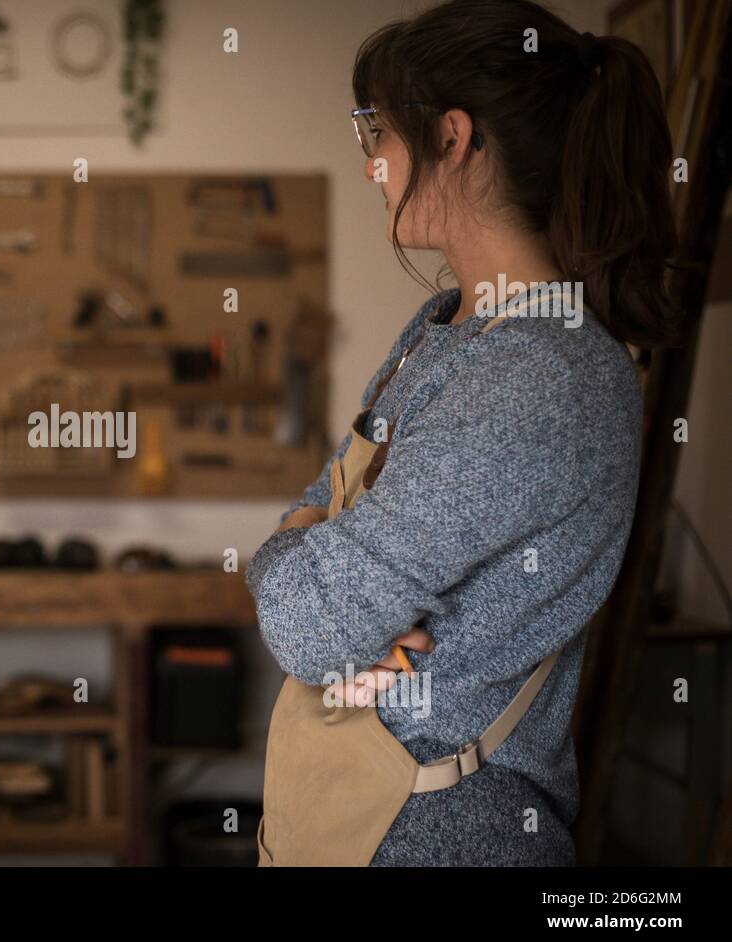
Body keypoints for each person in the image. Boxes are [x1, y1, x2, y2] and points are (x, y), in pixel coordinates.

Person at [249, 0, 678, 866]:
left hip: (436, 835)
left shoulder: (535, 376)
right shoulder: (447, 328)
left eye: (378, 132)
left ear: (451, 138)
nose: (370, 161)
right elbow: (309, 536)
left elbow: (307, 627)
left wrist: (302, 558)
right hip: (354, 815)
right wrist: (300, 551)